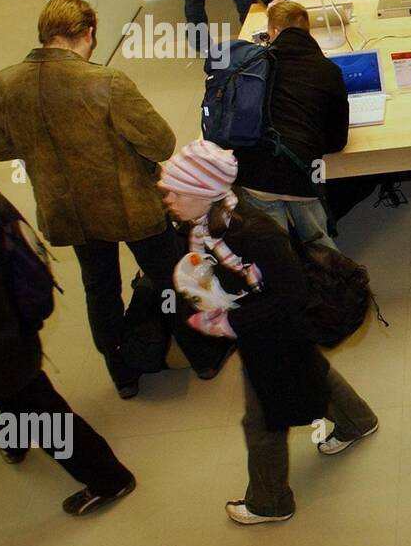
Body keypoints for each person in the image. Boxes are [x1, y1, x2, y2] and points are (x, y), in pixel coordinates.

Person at [0, 0, 230, 398]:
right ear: (89, 34)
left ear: (45, 34)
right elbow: (161, 142)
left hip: (68, 211)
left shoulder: (3, 84)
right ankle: (202, 357)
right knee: (171, 279)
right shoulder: (105, 82)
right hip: (130, 204)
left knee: (99, 289)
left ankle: (124, 374)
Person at [158, 140, 379, 525]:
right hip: (266, 326)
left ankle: (270, 502)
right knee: (311, 371)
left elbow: (290, 293)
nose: (168, 199)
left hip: (271, 330)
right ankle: (357, 420)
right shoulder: (209, 222)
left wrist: (230, 322)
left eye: (177, 192)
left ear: (206, 193)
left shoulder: (255, 233)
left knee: (262, 419)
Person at [0, 179, 138, 516]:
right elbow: (26, 253)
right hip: (10, 329)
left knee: (36, 409)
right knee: (17, 394)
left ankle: (109, 479)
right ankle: (14, 440)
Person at [233, 2, 349, 249]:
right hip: (303, 173)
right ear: (308, 31)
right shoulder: (328, 70)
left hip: (254, 174)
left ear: (273, 31)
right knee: (321, 247)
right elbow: (338, 141)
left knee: (276, 253)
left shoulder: (253, 65)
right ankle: (336, 284)